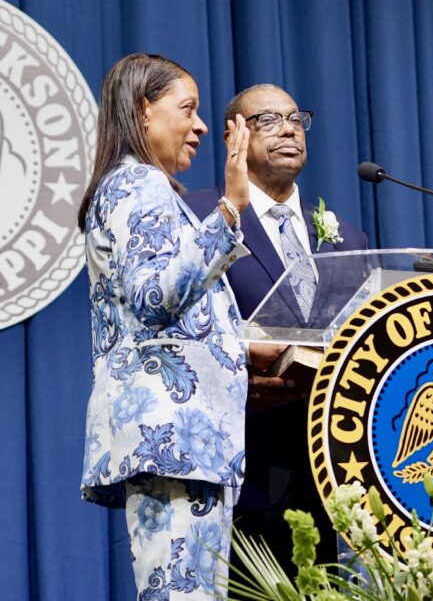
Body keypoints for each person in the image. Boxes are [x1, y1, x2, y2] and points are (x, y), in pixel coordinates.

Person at [77, 53, 283, 600]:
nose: (201, 126)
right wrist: (232, 207)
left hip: (181, 442)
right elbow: (155, 297)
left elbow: (162, 313)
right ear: (143, 110)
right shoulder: (138, 183)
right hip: (174, 436)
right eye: (187, 109)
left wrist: (242, 349)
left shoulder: (143, 187)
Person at [183, 84, 367, 567]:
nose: (288, 129)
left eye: (295, 119)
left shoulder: (348, 237)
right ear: (233, 136)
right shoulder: (199, 216)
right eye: (267, 120)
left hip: (328, 466)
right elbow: (175, 325)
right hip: (236, 464)